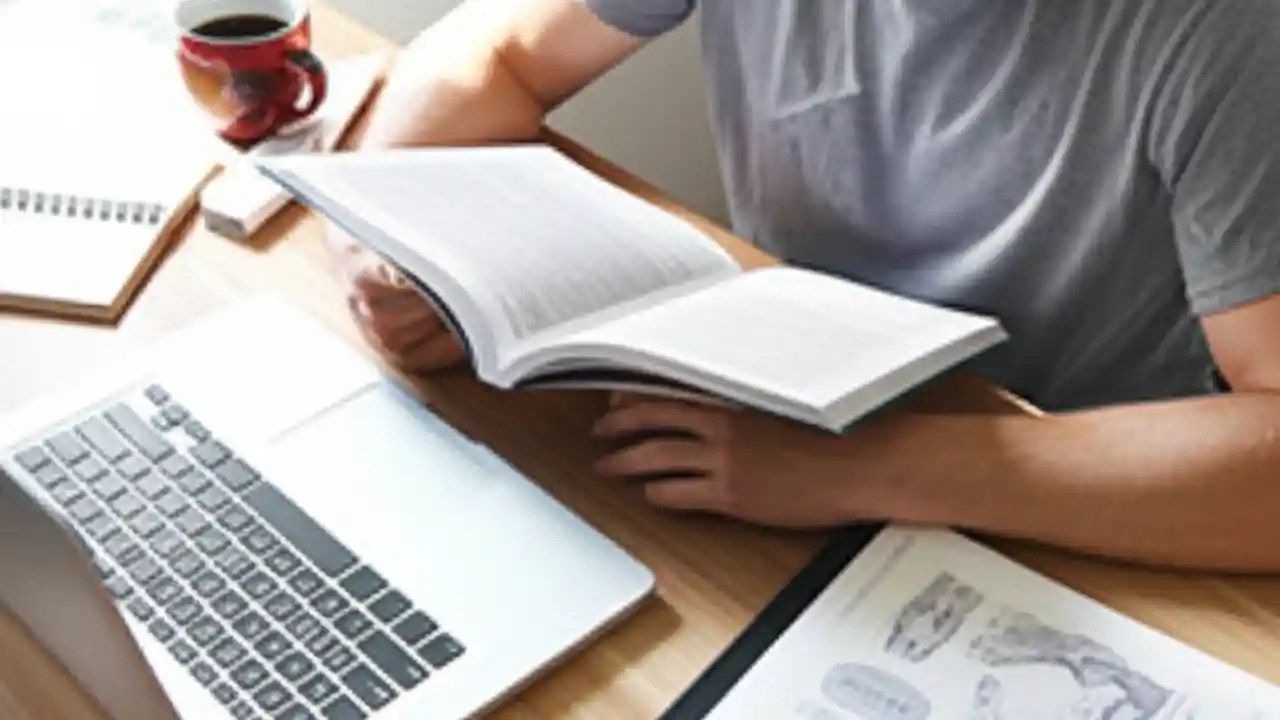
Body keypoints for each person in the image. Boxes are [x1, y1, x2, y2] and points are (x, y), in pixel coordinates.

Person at [328, 0, 1280, 571]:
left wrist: (856, 469)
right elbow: (493, 50)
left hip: (1074, 492)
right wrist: (391, 231)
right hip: (773, 418)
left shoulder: (1227, 33)